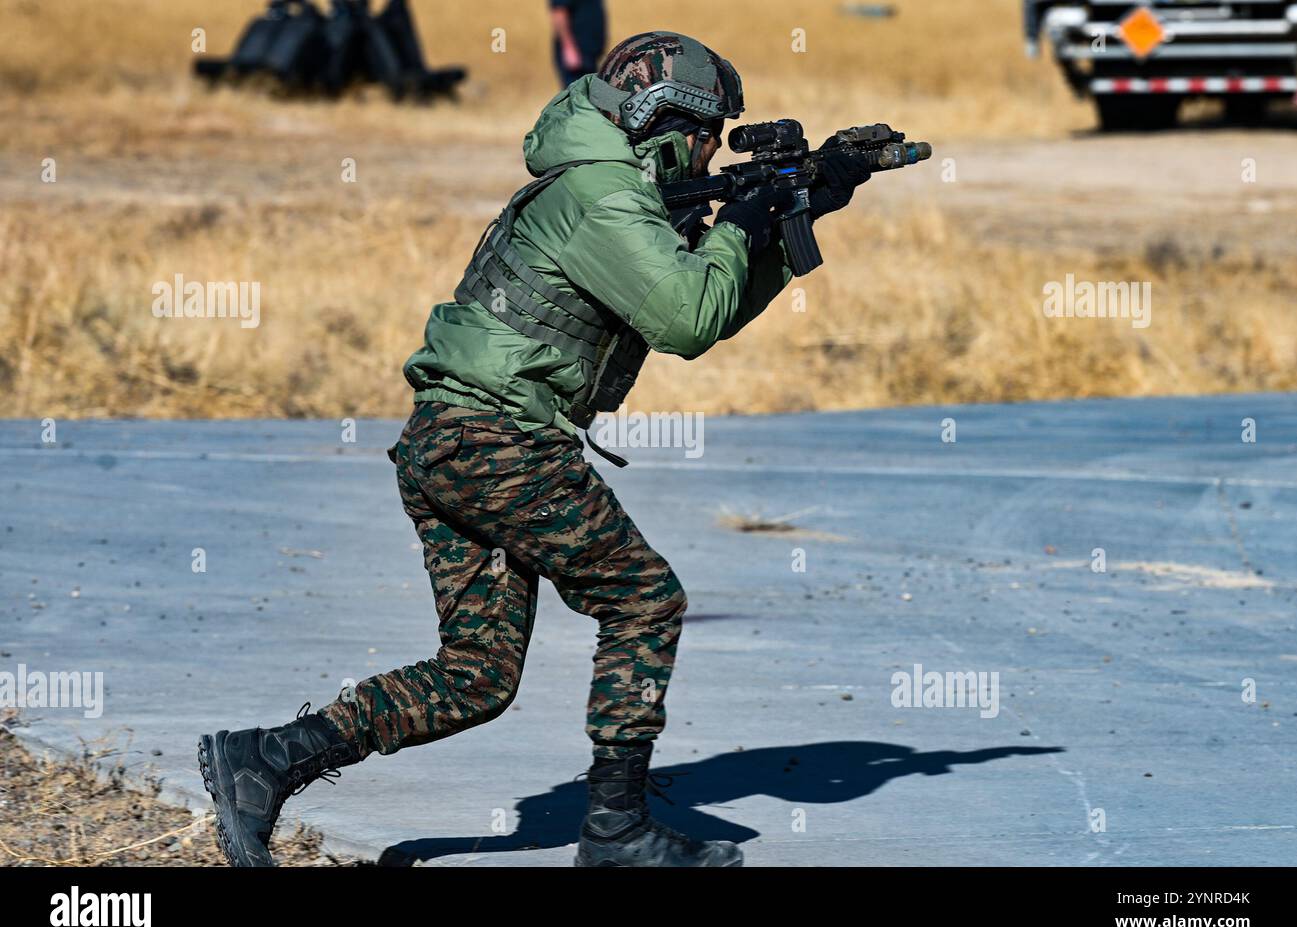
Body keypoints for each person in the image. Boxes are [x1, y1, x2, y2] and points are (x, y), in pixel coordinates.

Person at [197, 30, 874, 868]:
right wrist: (740, 219)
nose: (709, 152)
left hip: (452, 441)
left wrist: (792, 216)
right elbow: (688, 320)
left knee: (476, 674)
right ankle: (617, 830)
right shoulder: (603, 196)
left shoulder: (603, 188)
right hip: (498, 440)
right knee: (643, 599)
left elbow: (704, 306)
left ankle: (262, 758)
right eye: (706, 135)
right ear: (664, 123)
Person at [549, 0, 606, 88]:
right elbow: (559, 13)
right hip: (576, 55)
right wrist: (569, 48)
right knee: (576, 95)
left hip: (590, 55)